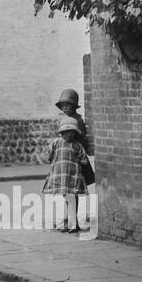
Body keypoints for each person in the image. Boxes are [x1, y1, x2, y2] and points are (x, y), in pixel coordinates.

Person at [43, 116, 91, 233]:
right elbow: (47, 156)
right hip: (62, 177)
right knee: (68, 199)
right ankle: (70, 223)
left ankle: (72, 224)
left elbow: (84, 159)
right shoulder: (56, 143)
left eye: (72, 133)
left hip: (72, 177)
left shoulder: (76, 145)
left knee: (71, 198)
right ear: (62, 132)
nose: (70, 135)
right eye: (67, 132)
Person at [55, 88, 95, 227]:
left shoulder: (78, 120)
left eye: (68, 104)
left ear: (74, 105)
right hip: (65, 157)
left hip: (76, 158)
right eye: (62, 105)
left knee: (74, 191)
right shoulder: (62, 118)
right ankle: (67, 218)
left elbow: (82, 138)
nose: (64, 107)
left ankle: (73, 220)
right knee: (66, 190)